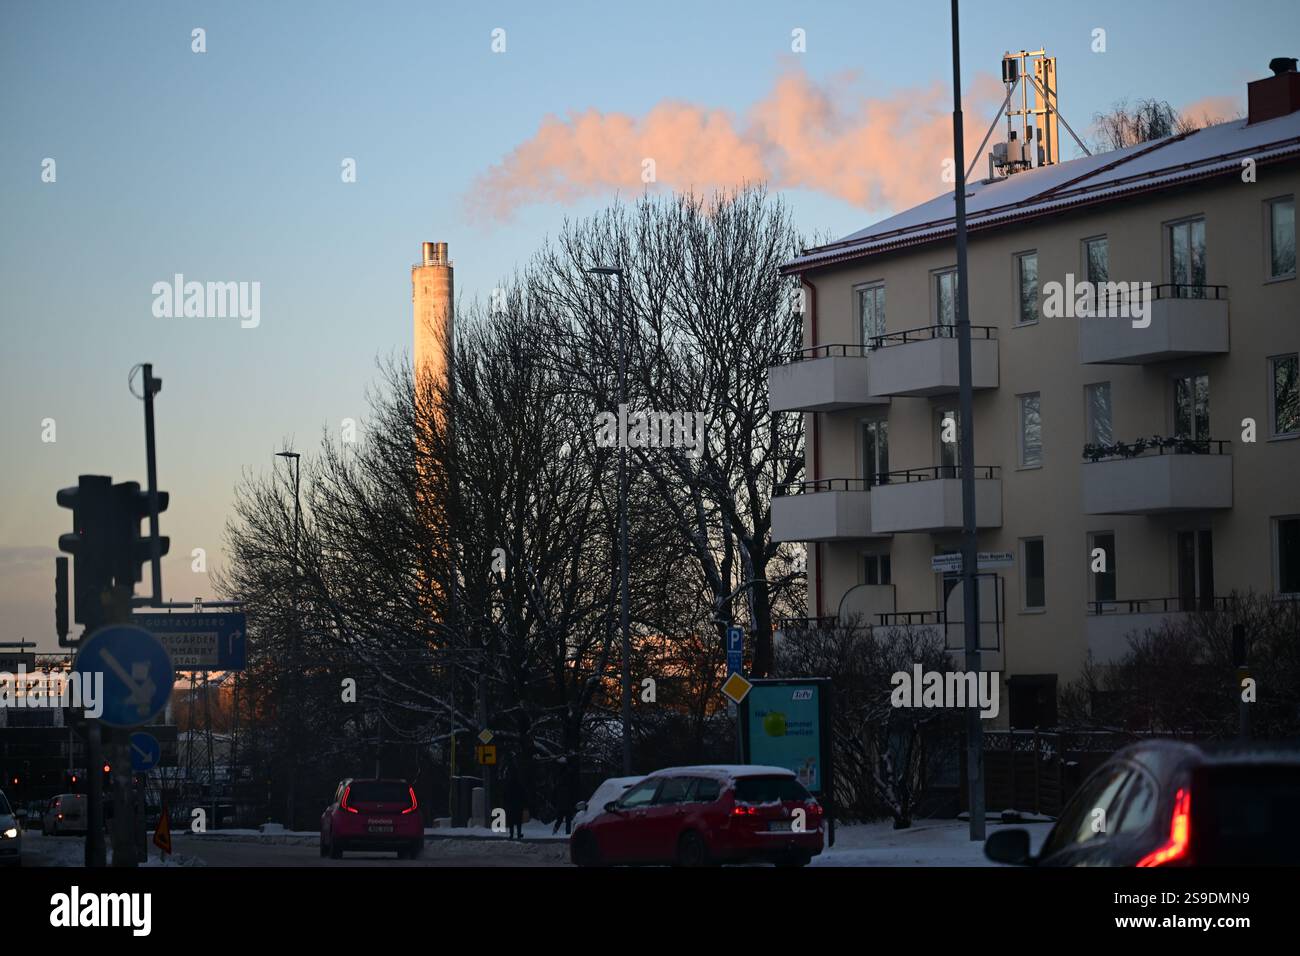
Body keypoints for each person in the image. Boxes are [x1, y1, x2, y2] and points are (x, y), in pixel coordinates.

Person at [552, 757, 575, 836]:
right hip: (566, 801)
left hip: (562, 801)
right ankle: (567, 833)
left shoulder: (559, 777)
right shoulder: (567, 776)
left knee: (560, 818)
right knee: (567, 819)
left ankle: (555, 831)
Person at [503, 758, 525, 840]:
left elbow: (505, 795)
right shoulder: (519, 785)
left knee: (511, 820)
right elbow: (523, 794)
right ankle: (519, 833)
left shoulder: (508, 785)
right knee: (518, 820)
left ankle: (511, 834)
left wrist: (506, 803)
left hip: (510, 805)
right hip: (518, 805)